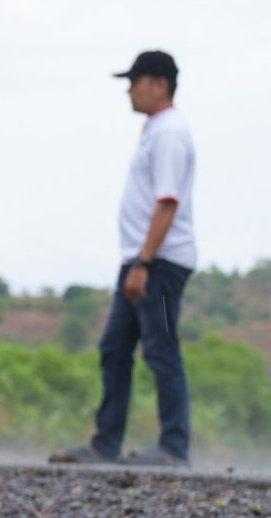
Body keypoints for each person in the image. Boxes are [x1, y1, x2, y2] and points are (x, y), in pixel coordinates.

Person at [51, 50, 197, 467]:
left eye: (135, 82)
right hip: (141, 261)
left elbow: (166, 203)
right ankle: (105, 442)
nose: (130, 91)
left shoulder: (169, 132)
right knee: (115, 348)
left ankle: (173, 448)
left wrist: (145, 264)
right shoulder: (156, 130)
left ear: (159, 84)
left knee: (161, 349)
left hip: (160, 264)